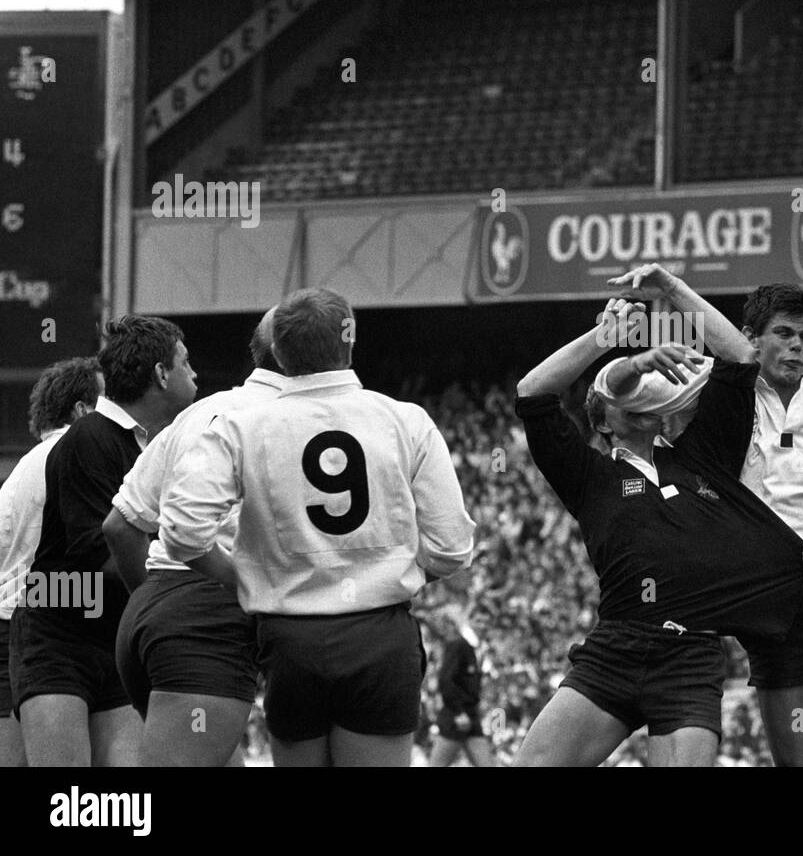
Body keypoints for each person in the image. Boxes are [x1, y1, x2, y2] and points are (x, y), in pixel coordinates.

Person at [594, 267, 803, 766]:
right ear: (751, 337)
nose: (797, 347)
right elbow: (613, 390)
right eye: (784, 334)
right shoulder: (715, 388)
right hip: (770, 600)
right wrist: (662, 303)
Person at [159, 288, 475, 766]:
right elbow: (452, 547)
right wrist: (391, 574)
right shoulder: (404, 420)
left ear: (279, 354)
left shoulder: (243, 425)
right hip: (379, 634)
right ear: (349, 343)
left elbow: (181, 531)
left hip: (291, 639)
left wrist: (245, 578)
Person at [513, 296, 803, 767]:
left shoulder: (701, 457)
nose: (638, 399)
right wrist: (607, 339)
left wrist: (670, 285)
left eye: (645, 393)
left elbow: (739, 358)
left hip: (691, 657)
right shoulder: (588, 476)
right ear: (601, 420)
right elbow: (532, 392)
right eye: (624, 398)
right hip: (616, 648)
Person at [12, 316, 196, 766]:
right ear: (160, 374)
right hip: (57, 638)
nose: (195, 374)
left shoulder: (155, 444)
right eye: (186, 362)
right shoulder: (89, 438)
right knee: (69, 797)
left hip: (114, 635)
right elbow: (100, 553)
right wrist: (181, 588)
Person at [103, 308, 282, 766]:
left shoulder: (201, 412)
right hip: (207, 623)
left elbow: (120, 526)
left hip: (150, 616)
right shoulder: (304, 418)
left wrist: (158, 599)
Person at [0, 358, 102, 767]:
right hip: (40, 629)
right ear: (82, 411)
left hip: (20, 626)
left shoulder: (23, 471)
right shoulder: (76, 457)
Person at [428, 606, 497, 767]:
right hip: (455, 717)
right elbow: (445, 680)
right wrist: (458, 712)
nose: (483, 625)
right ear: (470, 621)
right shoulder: (459, 644)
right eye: (478, 621)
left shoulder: (478, 648)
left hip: (471, 717)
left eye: (486, 622)